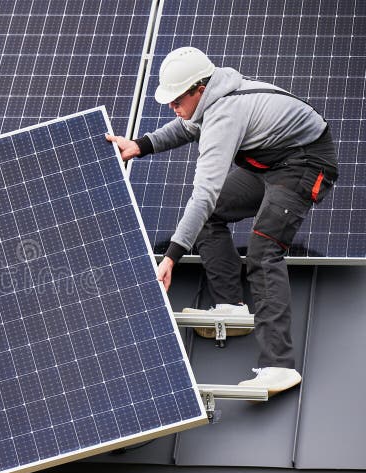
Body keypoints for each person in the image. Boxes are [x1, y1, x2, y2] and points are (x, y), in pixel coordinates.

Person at [106, 47, 338, 396]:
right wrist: (140, 146)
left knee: (263, 248)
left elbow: (204, 194)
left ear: (199, 88)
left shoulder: (224, 114)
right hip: (269, 165)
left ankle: (280, 365)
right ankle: (231, 307)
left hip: (306, 164)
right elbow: (186, 126)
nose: (172, 105)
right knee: (208, 219)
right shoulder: (212, 96)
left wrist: (171, 257)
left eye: (177, 97)